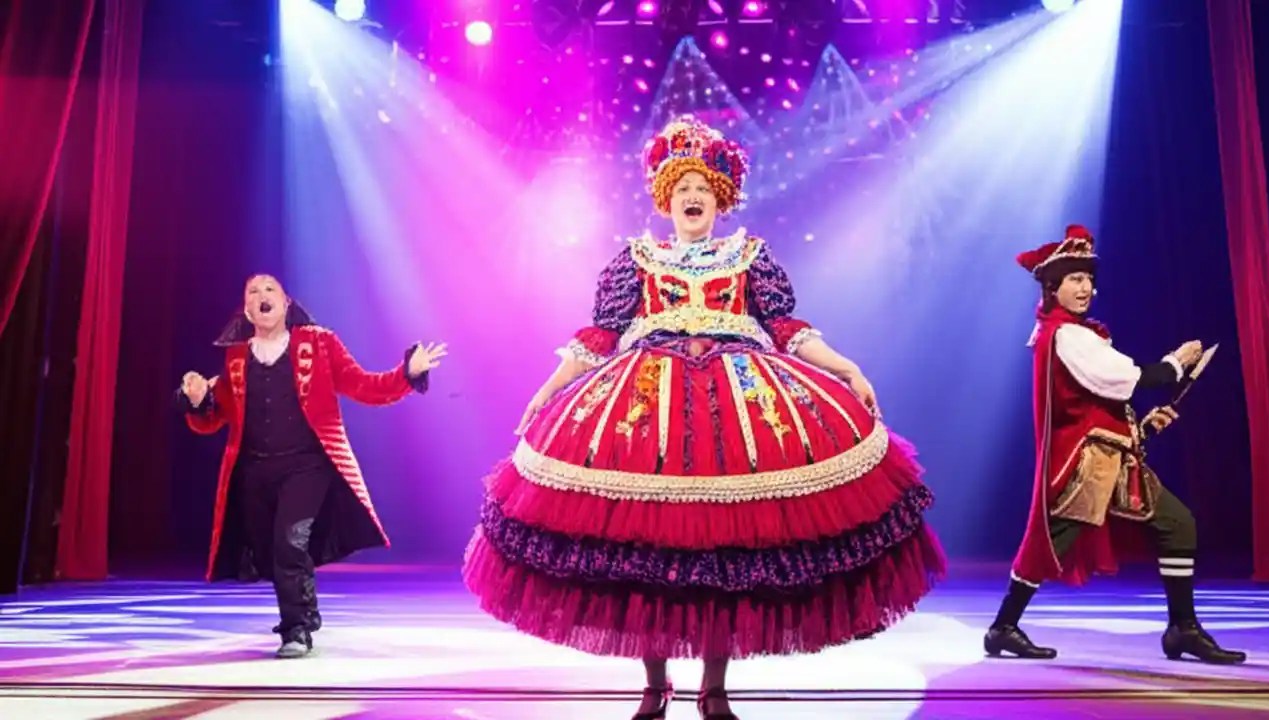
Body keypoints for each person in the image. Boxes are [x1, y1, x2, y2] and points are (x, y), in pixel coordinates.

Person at [462, 116, 946, 719]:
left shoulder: (749, 257)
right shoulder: (638, 259)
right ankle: (655, 682)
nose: (693, 196)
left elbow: (787, 328)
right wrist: (548, 389)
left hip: (735, 402)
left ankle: (714, 687)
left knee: (722, 551)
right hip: (647, 403)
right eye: (682, 187)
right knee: (649, 547)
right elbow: (600, 335)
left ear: (720, 198)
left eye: (703, 187)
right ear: (667, 200)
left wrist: (846, 367)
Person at [984, 225, 1246, 665]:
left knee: (1177, 524)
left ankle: (1182, 628)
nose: (1086, 287)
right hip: (1084, 466)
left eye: (1088, 278)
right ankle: (1003, 627)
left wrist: (1144, 426)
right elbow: (1132, 378)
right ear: (1053, 287)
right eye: (1075, 279)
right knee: (1051, 542)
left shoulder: (1068, 333)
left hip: (1107, 460)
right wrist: (1176, 364)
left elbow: (1099, 402)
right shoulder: (1067, 335)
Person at [178, 273, 446, 658]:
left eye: (270, 289)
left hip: (307, 465)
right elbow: (213, 417)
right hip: (255, 471)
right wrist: (197, 398)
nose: (261, 295)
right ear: (247, 311)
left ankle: (296, 629)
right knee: (271, 550)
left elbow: (364, 385)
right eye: (253, 291)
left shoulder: (319, 343)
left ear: (286, 303)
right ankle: (303, 610)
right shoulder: (236, 356)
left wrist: (407, 373)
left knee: (290, 541)